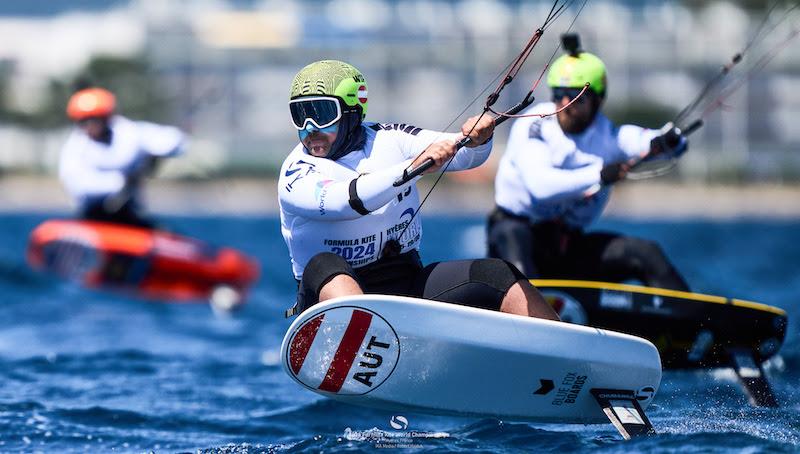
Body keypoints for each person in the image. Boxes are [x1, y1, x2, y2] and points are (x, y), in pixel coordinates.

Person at [280, 60, 558, 321]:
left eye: (323, 114)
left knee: (498, 274)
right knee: (325, 264)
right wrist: (411, 168)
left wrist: (479, 139)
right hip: (327, 294)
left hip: (403, 282)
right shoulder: (296, 171)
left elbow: (463, 155)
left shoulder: (391, 138)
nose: (310, 129)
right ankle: (365, 335)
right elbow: (347, 201)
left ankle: (564, 351)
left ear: (353, 111)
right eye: (300, 116)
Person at [487, 36, 690, 291]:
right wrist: (600, 174)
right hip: (515, 237)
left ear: (597, 101)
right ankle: (527, 315)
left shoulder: (607, 135)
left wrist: (668, 142)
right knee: (517, 244)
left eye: (576, 97)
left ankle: (696, 326)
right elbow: (540, 187)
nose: (565, 105)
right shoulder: (533, 124)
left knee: (646, 253)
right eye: (559, 95)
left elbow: (639, 140)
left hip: (566, 247)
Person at [59, 87, 185, 228]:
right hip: (91, 217)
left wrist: (159, 153)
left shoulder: (128, 133)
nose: (89, 126)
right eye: (83, 121)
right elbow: (80, 185)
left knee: (166, 232)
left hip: (129, 214)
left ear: (106, 118)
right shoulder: (74, 148)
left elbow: (173, 140)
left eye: (94, 119)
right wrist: (121, 181)